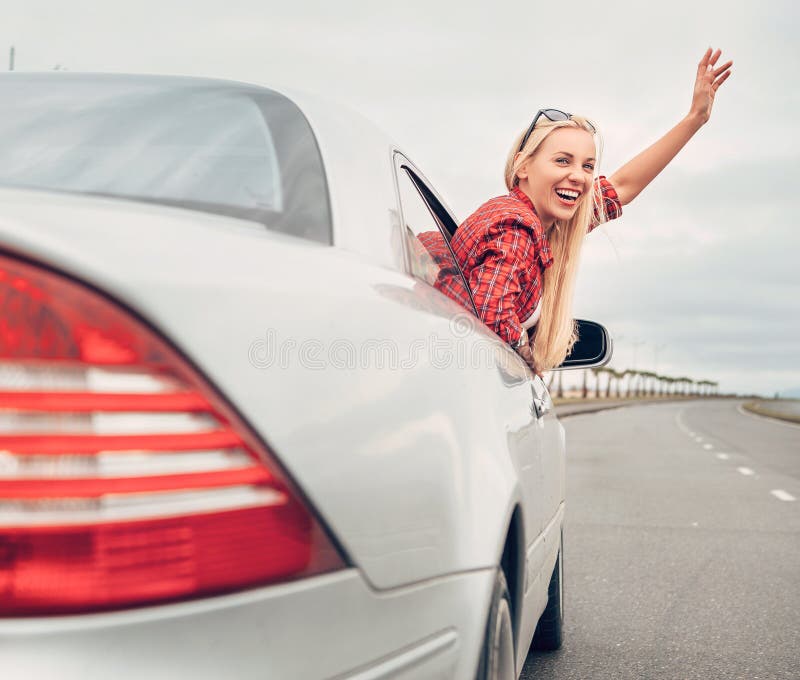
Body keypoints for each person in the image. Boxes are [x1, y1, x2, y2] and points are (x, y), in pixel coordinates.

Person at [450, 48, 732, 375]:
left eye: (587, 166)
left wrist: (695, 118)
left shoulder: (546, 226)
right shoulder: (517, 229)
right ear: (523, 166)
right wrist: (528, 360)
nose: (579, 177)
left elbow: (622, 187)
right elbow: (492, 315)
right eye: (562, 160)